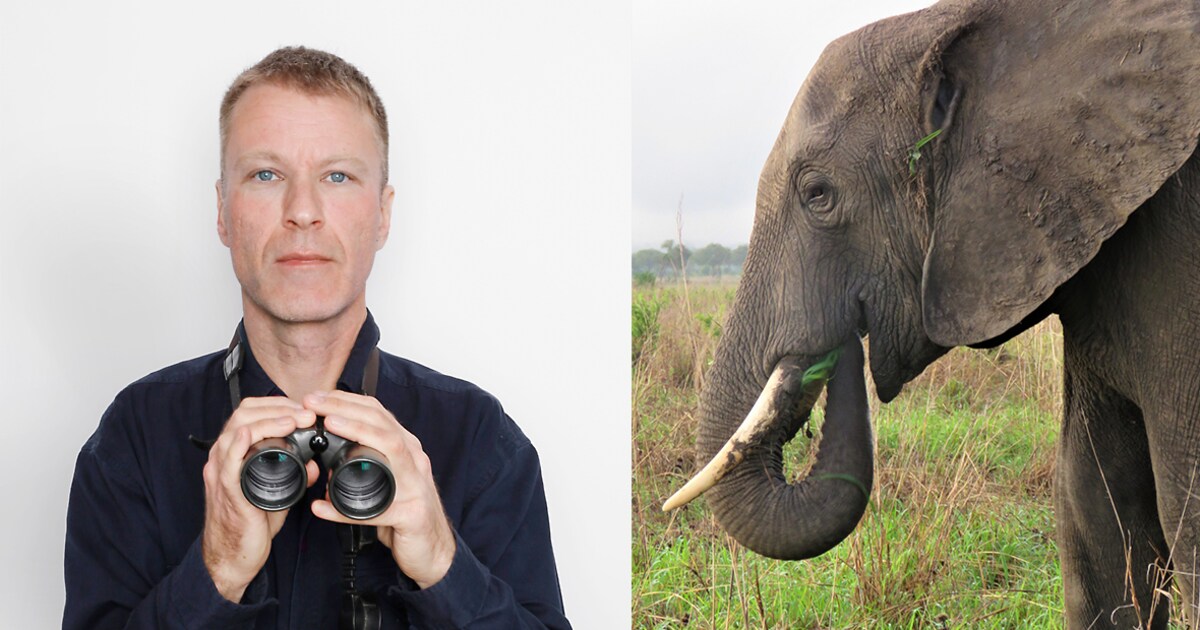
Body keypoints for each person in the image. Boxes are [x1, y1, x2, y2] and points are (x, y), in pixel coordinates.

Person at [63, 46, 570, 629]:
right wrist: (217, 569)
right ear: (223, 211)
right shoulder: (134, 439)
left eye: (337, 176)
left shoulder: (480, 440)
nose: (302, 211)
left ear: (382, 215)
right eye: (266, 174)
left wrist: (442, 564)